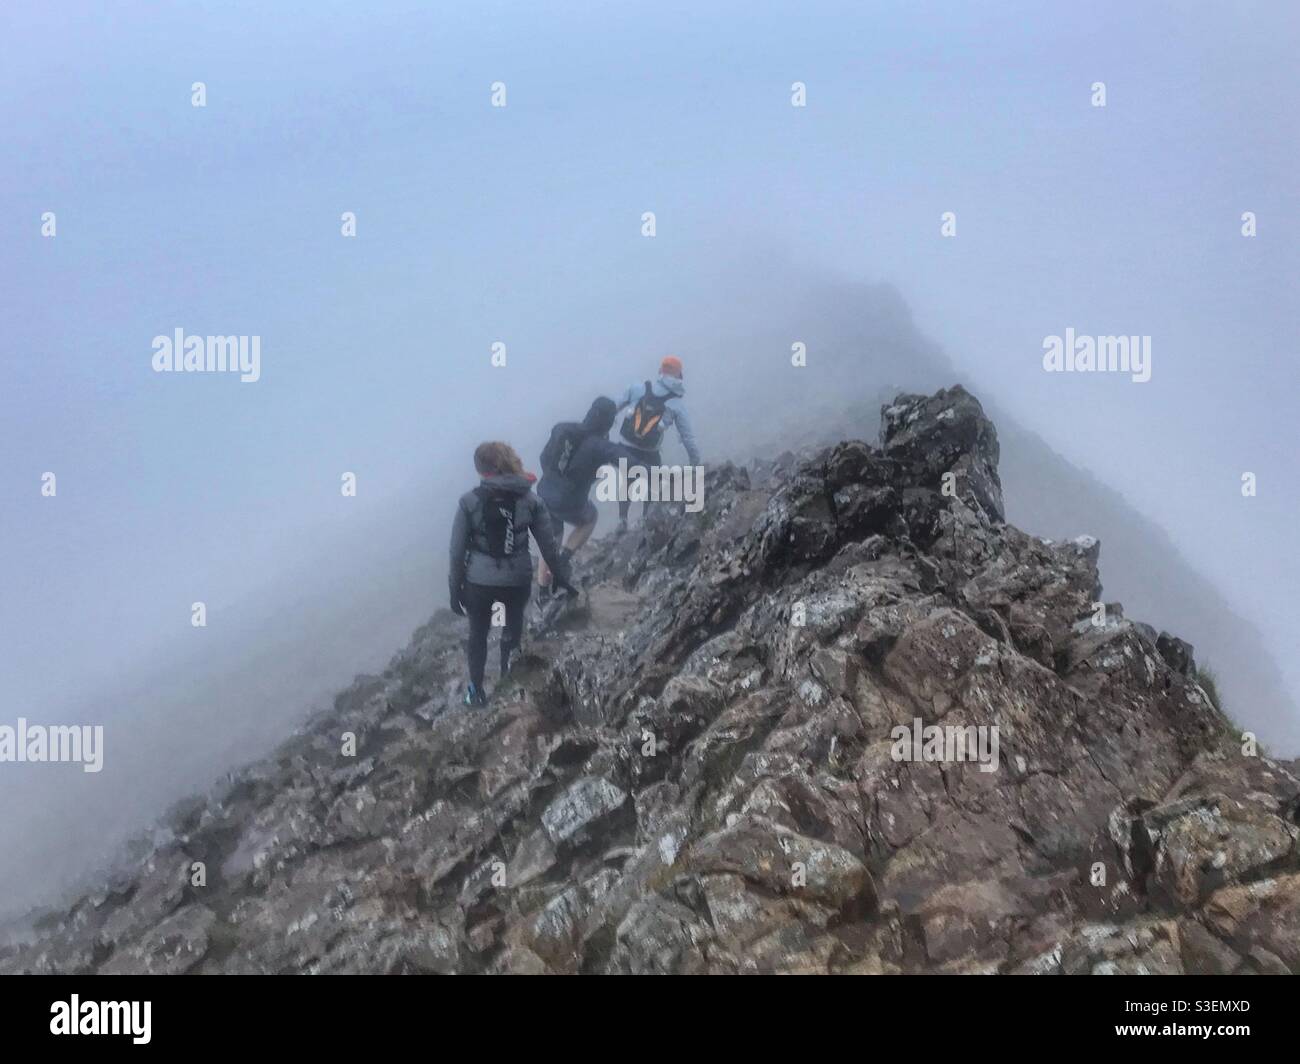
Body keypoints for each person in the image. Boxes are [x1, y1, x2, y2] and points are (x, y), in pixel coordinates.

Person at [448, 441, 574, 707]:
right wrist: (562, 577)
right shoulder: (530, 500)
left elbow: (457, 552)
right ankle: (508, 679)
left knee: (478, 634)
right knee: (512, 627)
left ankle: (476, 691)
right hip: (516, 579)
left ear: (481, 470)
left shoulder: (469, 502)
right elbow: (548, 546)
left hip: (478, 582)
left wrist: (454, 590)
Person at [535, 396, 626, 593]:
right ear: (609, 422)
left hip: (544, 492)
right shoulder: (599, 444)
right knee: (590, 517)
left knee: (552, 536)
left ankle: (542, 591)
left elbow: (544, 458)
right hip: (569, 499)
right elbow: (608, 467)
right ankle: (563, 559)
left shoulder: (563, 429)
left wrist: (554, 477)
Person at [613, 355, 701, 531]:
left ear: (660, 371)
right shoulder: (675, 403)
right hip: (650, 451)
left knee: (627, 481)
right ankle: (646, 518)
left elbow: (613, 407)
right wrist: (695, 460)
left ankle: (622, 520)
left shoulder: (638, 388)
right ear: (679, 376)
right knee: (652, 483)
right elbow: (687, 437)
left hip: (626, 446)